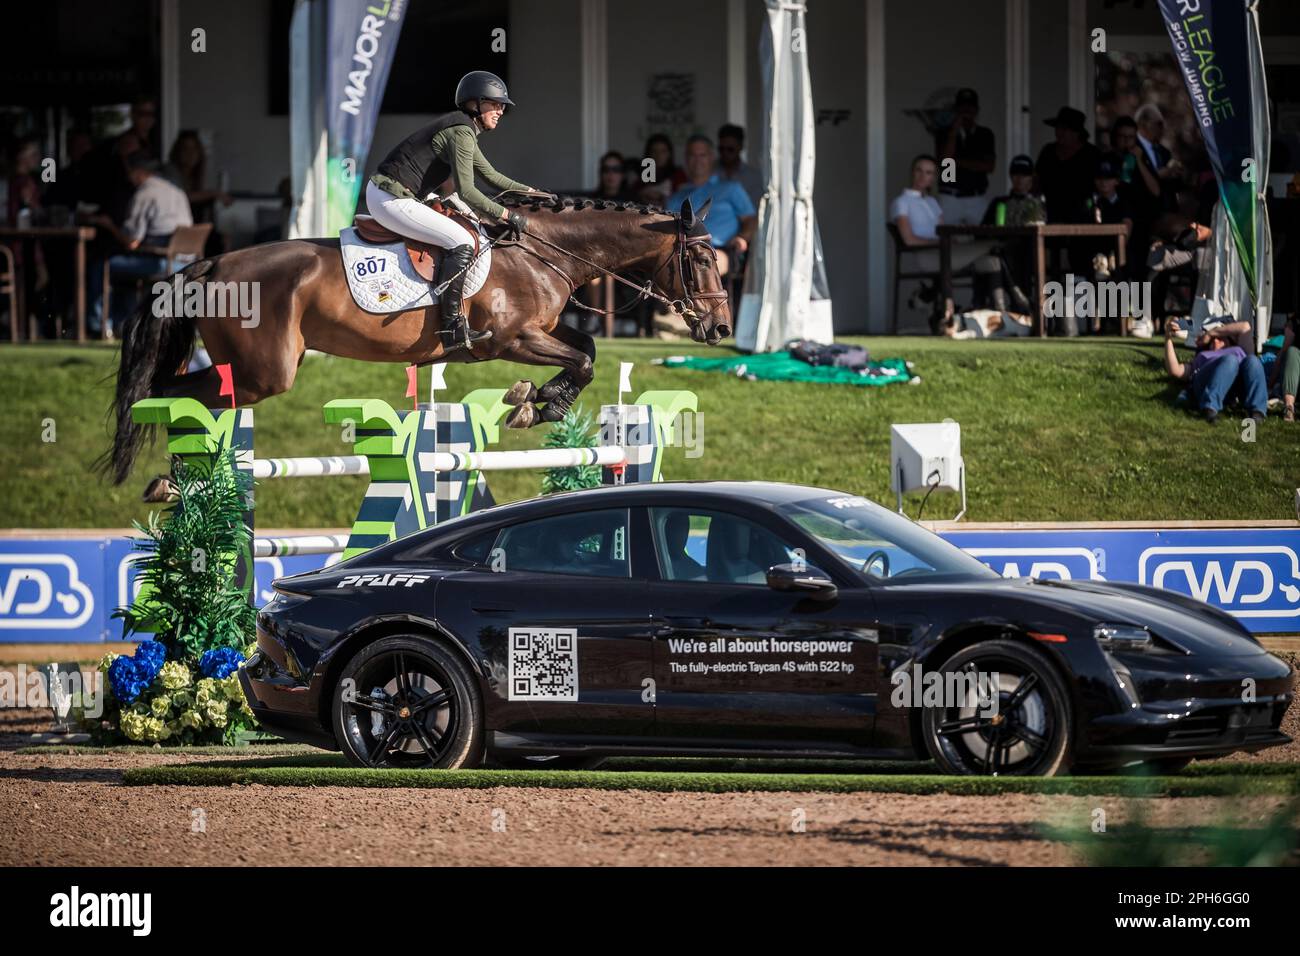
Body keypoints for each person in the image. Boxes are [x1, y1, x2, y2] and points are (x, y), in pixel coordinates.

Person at [367, 70, 545, 350]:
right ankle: (451, 327)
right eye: (495, 104)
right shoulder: (461, 132)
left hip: (398, 195)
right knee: (462, 241)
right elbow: (468, 192)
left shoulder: (465, 129)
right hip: (390, 198)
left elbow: (492, 176)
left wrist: (535, 194)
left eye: (502, 106)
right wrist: (507, 215)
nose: (500, 111)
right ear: (475, 103)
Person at [85, 151, 193, 335]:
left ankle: (100, 326)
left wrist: (109, 225)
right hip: (185, 261)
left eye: (129, 172)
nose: (128, 177)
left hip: (160, 262)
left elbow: (131, 242)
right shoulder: (177, 191)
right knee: (123, 267)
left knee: (102, 266)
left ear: (138, 172)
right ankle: (124, 322)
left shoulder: (145, 194)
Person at [891, 154, 1003, 327]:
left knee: (992, 260)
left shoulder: (932, 202)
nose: (922, 176)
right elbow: (909, 240)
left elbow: (944, 232)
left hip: (945, 251)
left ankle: (999, 312)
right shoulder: (901, 202)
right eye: (919, 170)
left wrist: (955, 239)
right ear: (912, 172)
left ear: (933, 178)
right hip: (929, 256)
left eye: (928, 172)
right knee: (994, 244)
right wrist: (940, 243)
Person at [665, 135, 756, 278]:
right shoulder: (676, 197)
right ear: (686, 159)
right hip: (681, 254)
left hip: (721, 251)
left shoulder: (731, 188)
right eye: (692, 155)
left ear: (712, 158)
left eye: (702, 155)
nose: (697, 160)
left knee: (701, 264)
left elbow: (750, 219)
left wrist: (742, 238)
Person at [1164, 317, 1267, 424]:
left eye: (1220, 338)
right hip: (1205, 383)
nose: (1215, 340)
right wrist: (1168, 339)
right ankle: (1209, 407)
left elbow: (1245, 326)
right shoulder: (1202, 356)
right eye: (1212, 339)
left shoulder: (1240, 350)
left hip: (1235, 387)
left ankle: (1257, 411)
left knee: (1253, 360)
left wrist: (1210, 334)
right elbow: (1174, 370)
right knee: (1230, 360)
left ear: (1229, 341)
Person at [162, 130, 232, 254]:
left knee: (223, 240)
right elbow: (183, 197)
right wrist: (215, 193)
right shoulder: (170, 171)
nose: (190, 153)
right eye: (185, 149)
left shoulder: (195, 175)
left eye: (194, 149)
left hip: (195, 228)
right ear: (177, 152)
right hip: (174, 228)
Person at [937, 88, 996, 226]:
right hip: (950, 195)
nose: (966, 111)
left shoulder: (985, 134)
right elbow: (946, 167)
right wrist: (954, 131)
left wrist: (957, 162)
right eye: (963, 107)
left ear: (976, 110)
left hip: (976, 196)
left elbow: (989, 166)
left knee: (987, 232)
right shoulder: (944, 132)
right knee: (943, 233)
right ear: (956, 109)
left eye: (970, 107)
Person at [1035, 106, 1100, 224]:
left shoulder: (1092, 155)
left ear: (1076, 133)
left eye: (1064, 129)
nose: (1059, 133)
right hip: (1050, 217)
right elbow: (1036, 181)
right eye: (1057, 128)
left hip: (1082, 219)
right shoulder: (1048, 152)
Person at [716, 124, 763, 207]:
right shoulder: (709, 173)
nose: (725, 153)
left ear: (740, 147)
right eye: (721, 149)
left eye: (730, 149)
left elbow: (754, 208)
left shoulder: (753, 178)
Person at [1267, 313, 1299, 422]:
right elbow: (1283, 351)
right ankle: (1289, 407)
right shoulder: (1294, 323)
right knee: (1292, 352)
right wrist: (1269, 385)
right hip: (1295, 377)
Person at [640, 133, 687, 205]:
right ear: (648, 153)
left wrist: (662, 197)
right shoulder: (640, 174)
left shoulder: (678, 175)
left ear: (669, 154)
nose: (658, 155)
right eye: (654, 151)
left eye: (663, 151)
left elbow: (683, 198)